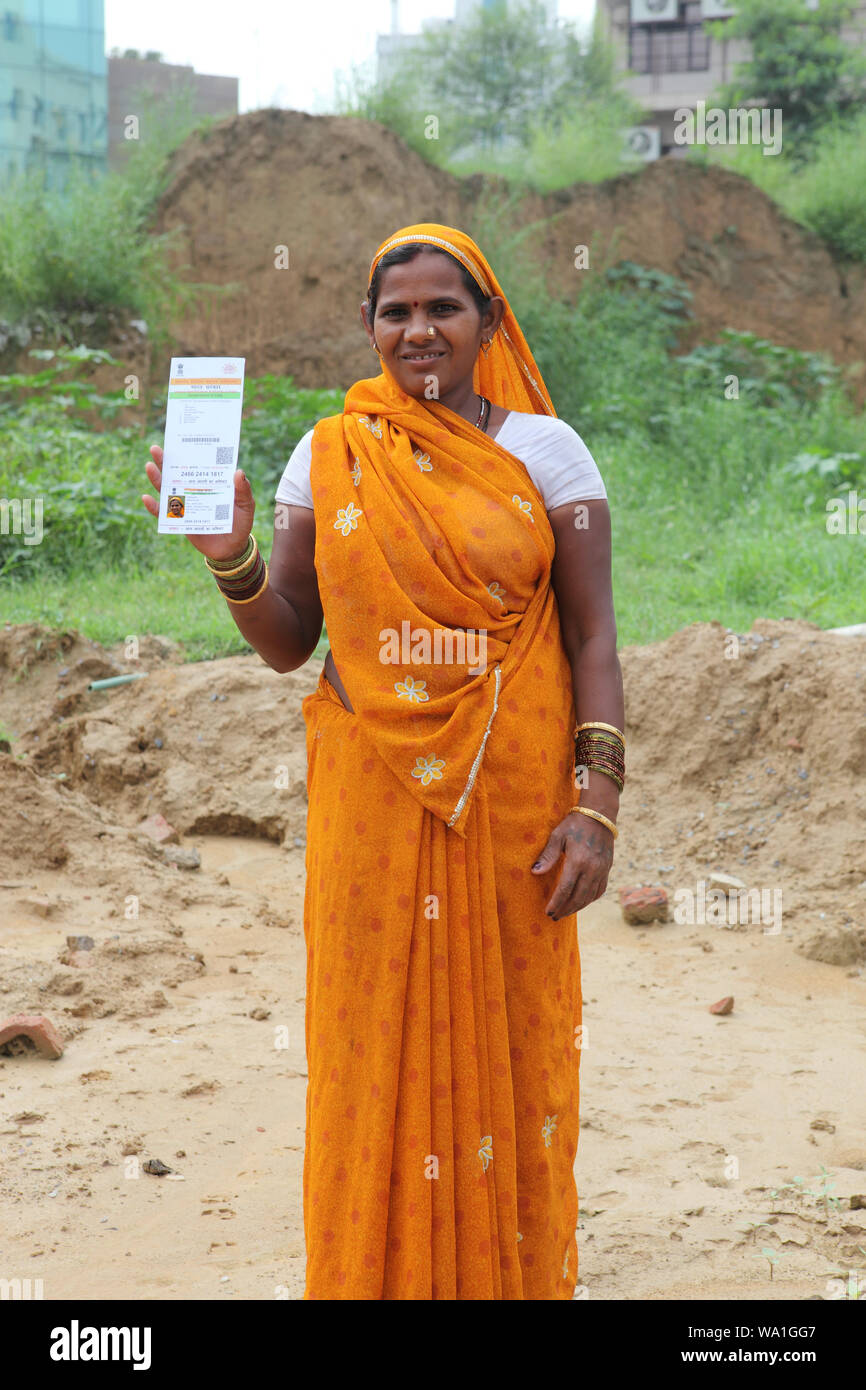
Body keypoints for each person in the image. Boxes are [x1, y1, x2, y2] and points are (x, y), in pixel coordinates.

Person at [142, 221, 625, 1301]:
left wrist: (595, 806)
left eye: (442, 308)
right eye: (396, 311)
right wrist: (227, 555)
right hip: (372, 805)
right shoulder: (326, 454)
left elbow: (592, 637)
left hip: (509, 810)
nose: (418, 330)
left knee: (508, 1049)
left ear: (487, 323)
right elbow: (286, 641)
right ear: (365, 325)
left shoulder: (548, 452)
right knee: (375, 1052)